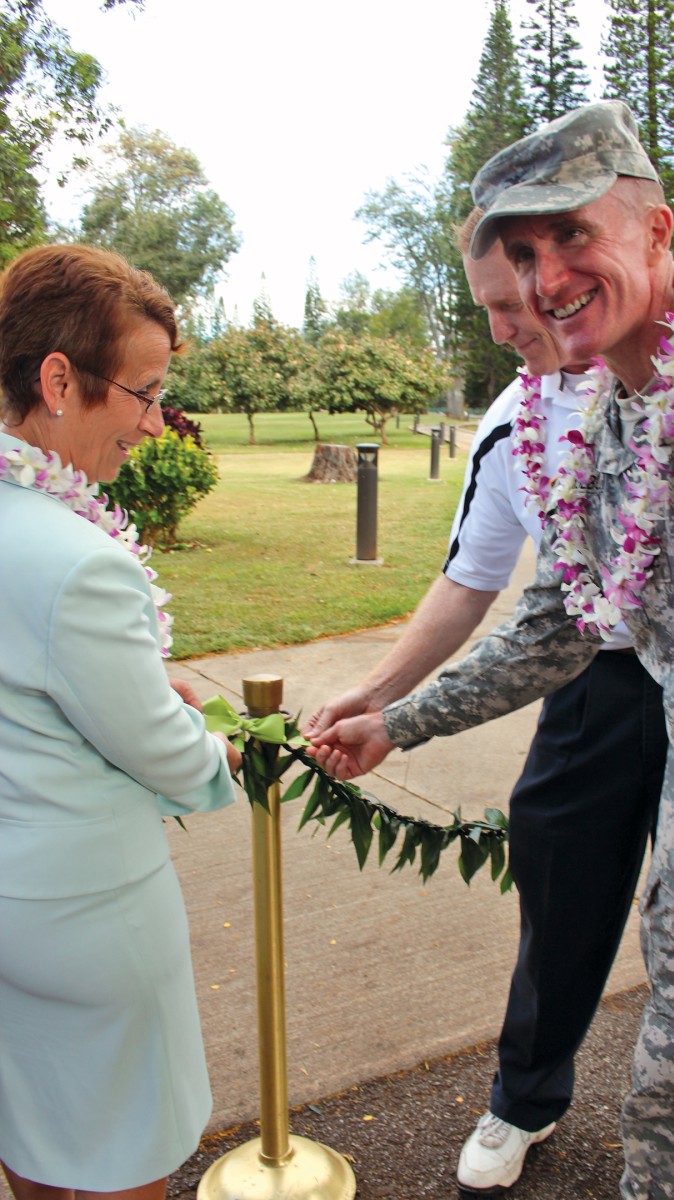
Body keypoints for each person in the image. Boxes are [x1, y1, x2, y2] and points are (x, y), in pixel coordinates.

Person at [310, 100, 674, 1200]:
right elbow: (564, 618)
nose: (542, 281)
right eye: (519, 256)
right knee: (671, 1124)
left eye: (570, 235)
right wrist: (398, 716)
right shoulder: (616, 423)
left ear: (655, 227)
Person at [307, 212, 667, 1194]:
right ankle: (523, 1099)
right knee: (560, 882)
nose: (507, 327)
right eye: (490, 309)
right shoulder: (514, 419)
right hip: (594, 668)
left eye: (516, 303)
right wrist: (378, 694)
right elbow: (473, 580)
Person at [0, 244, 242, 1200]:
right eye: (143, 393)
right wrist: (213, 748)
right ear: (60, 379)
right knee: (122, 1148)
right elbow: (159, 751)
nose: (153, 424)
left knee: (31, 1124)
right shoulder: (76, 561)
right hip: (88, 912)